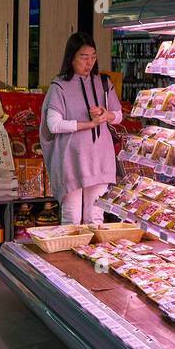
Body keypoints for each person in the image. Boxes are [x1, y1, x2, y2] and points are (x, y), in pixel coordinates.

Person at [40, 32, 123, 224]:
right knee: (72, 217)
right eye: (84, 57)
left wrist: (105, 114)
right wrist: (89, 124)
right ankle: (71, 252)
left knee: (95, 216)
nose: (89, 63)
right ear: (71, 58)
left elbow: (118, 115)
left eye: (93, 57)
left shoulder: (103, 82)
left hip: (100, 157)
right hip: (71, 159)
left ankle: (93, 254)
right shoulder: (59, 86)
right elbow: (54, 125)